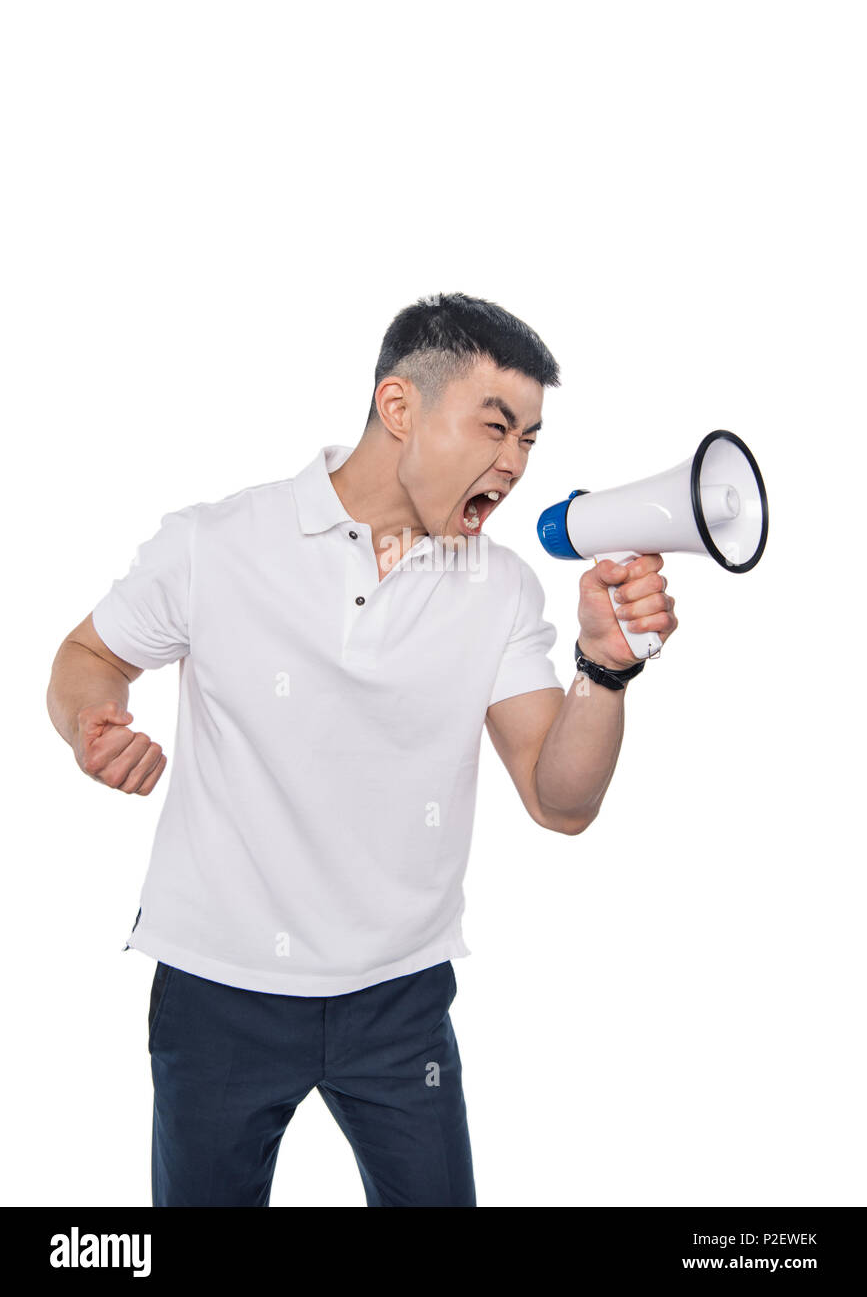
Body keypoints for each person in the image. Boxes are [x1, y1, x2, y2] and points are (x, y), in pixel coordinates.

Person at [46, 291, 677, 1207]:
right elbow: (88, 655)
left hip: (399, 1002)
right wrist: (92, 724)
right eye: (495, 427)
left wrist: (604, 671)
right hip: (220, 990)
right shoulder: (215, 543)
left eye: (530, 440)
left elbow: (559, 801)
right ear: (397, 407)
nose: (513, 464)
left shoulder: (499, 589)